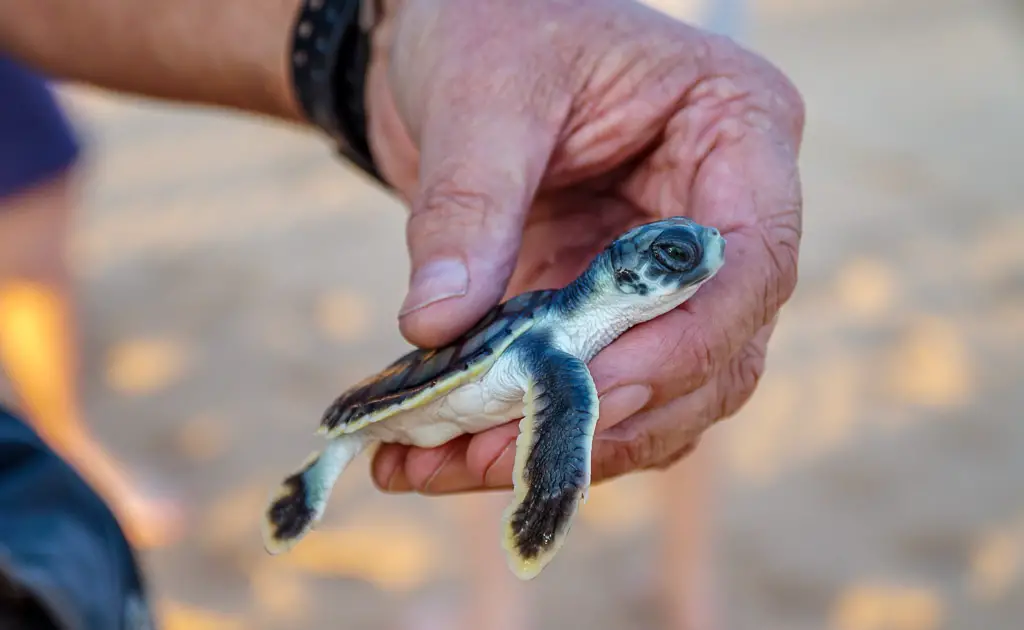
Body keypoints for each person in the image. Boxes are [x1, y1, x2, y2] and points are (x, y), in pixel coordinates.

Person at [0, 0, 804, 627]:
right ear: (621, 273)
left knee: (662, 377)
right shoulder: (557, 351)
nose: (694, 253)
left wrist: (384, 38)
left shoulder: (587, 332)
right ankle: (329, 492)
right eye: (668, 253)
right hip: (436, 385)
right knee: (557, 409)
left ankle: (580, 598)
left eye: (689, 246)